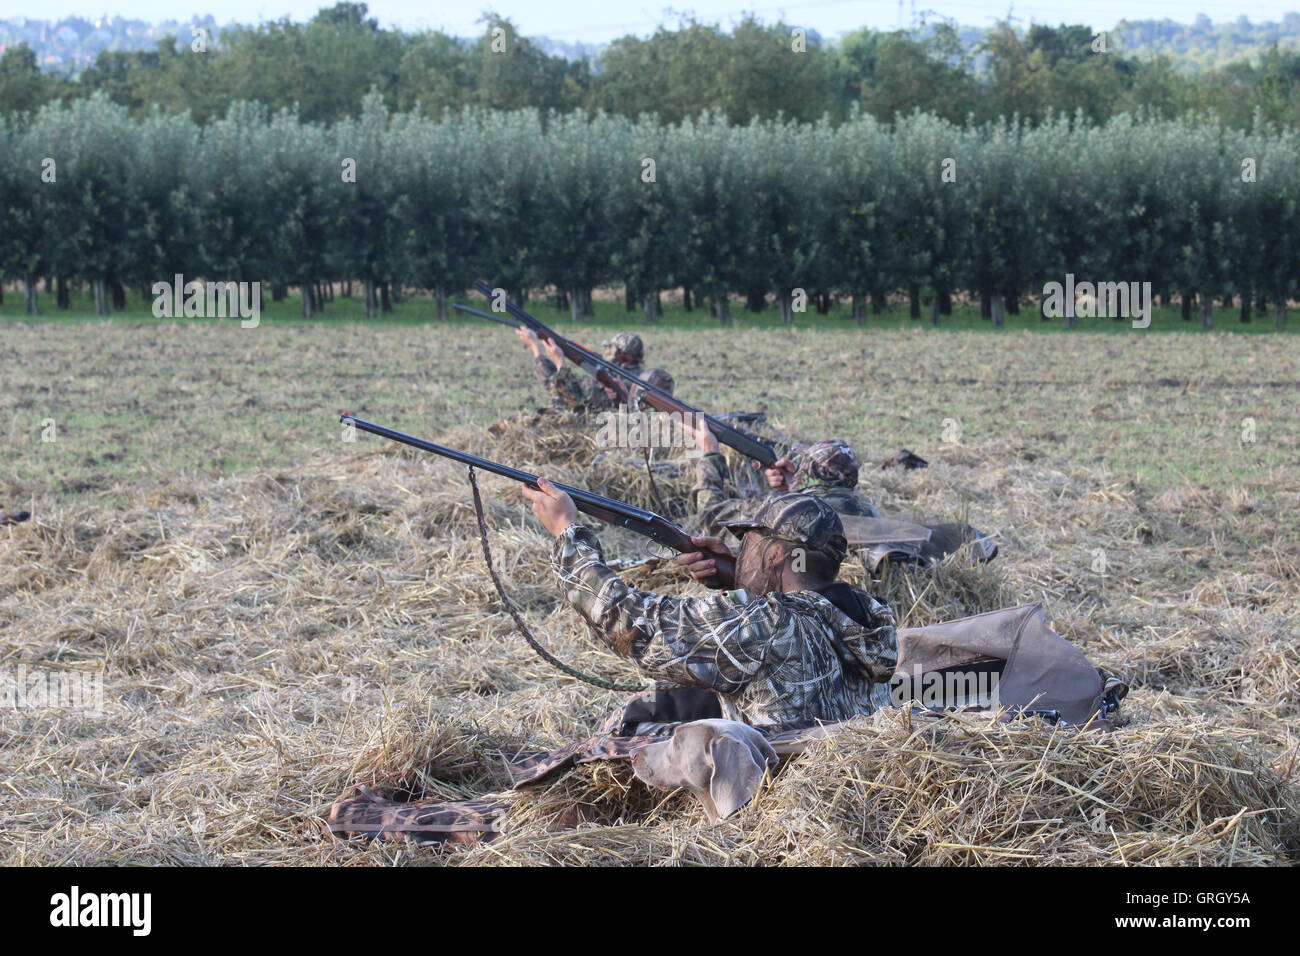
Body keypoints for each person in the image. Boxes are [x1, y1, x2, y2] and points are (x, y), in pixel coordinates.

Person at [524, 479, 898, 727]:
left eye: (747, 544)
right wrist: (740, 579)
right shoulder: (868, 617)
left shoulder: (766, 623)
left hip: (765, 807)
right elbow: (803, 607)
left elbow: (629, 622)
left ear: (775, 555)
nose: (739, 550)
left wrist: (567, 533)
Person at [688, 418, 881, 543]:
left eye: (804, 462)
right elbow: (828, 501)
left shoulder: (780, 510)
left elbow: (710, 515)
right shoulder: (869, 513)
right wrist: (795, 489)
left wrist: (710, 454)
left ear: (809, 471)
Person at [517, 328, 674, 413]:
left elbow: (562, 396)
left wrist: (539, 352)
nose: (606, 351)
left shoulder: (609, 387)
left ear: (623, 357)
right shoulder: (647, 381)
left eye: (610, 348)